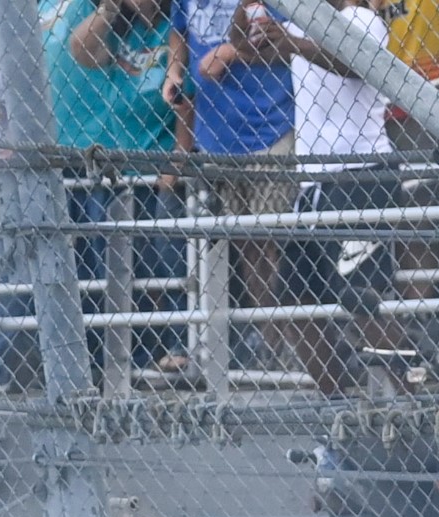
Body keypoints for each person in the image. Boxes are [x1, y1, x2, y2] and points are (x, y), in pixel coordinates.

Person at [253, 0, 398, 397]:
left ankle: (423, 398)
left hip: (361, 177)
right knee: (296, 304)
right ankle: (342, 408)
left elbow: (354, 63)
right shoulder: (300, 23)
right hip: (314, 185)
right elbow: (250, 48)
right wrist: (244, 13)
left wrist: (292, 43)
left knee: (364, 302)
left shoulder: (362, 19)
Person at [56, 0, 192, 376]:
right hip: (122, 168)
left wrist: (176, 163)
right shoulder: (120, 28)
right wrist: (110, 9)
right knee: (124, 267)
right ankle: (131, 354)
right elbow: (80, 50)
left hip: (161, 166)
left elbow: (186, 99)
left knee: (168, 258)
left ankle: (178, 344)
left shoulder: (174, 26)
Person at [174, 0, 294, 369]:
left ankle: (293, 340)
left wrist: (231, 52)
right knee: (244, 244)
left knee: (271, 240)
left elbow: (290, 46)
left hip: (271, 121)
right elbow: (179, 32)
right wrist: (174, 72)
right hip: (217, 130)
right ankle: (268, 338)